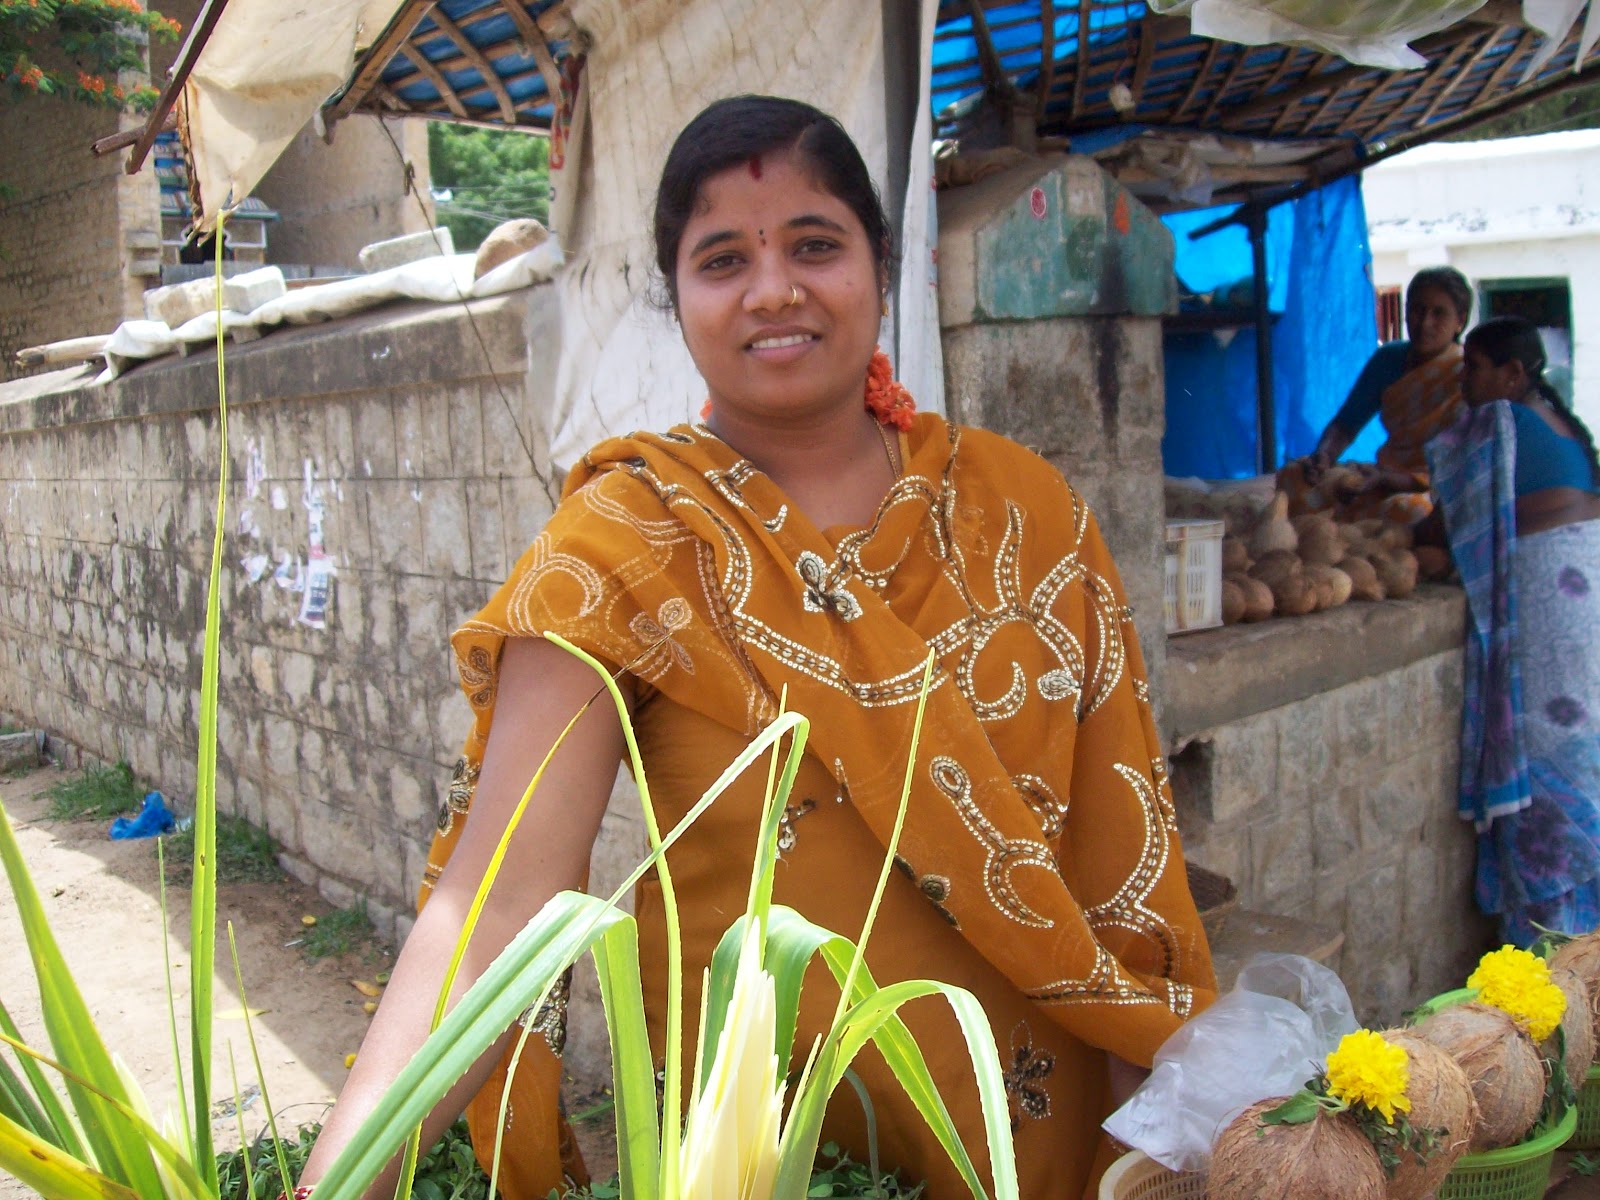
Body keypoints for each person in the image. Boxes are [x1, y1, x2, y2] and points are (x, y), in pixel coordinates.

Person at [297, 95, 1215, 1200]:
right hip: (769, 1156)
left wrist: (1171, 1136)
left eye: (814, 246)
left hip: (1039, 1144)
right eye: (722, 258)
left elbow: (1123, 872)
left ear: (882, 267)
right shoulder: (625, 543)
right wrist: (341, 1177)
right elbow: (496, 905)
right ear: (675, 299)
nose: (773, 288)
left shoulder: (1025, 515)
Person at [1427, 315, 1600, 947]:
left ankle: (1551, 934)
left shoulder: (1499, 425)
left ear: (1513, 374)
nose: (1462, 381)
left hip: (1549, 588)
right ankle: (1582, 929)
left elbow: (1448, 522)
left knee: (1540, 741)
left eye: (1472, 367)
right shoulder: (1556, 423)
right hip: (1581, 581)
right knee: (1576, 742)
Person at [1279, 266, 1473, 524]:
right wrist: (1324, 457)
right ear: (1405, 312)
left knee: (1410, 511)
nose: (1425, 322)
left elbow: (1461, 463)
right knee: (1292, 477)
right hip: (1381, 475)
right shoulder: (1388, 360)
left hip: (1428, 486)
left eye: (1439, 313)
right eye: (1417, 310)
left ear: (1460, 320)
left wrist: (1394, 480)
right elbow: (1345, 425)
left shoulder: (1467, 372)